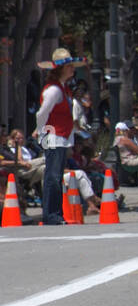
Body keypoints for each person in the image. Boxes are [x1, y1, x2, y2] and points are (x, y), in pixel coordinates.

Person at [33, 48, 84, 225]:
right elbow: (41, 114)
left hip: (60, 137)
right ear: (60, 69)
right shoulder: (54, 90)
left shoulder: (62, 88)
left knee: (56, 176)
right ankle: (51, 215)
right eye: (69, 66)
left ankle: (56, 213)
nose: (72, 69)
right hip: (53, 137)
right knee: (52, 177)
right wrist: (41, 132)